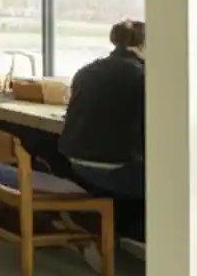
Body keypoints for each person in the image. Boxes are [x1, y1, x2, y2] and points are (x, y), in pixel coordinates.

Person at [59, 20, 146, 242]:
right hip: (118, 171)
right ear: (144, 45)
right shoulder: (143, 77)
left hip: (76, 164)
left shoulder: (85, 71)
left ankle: (105, 229)